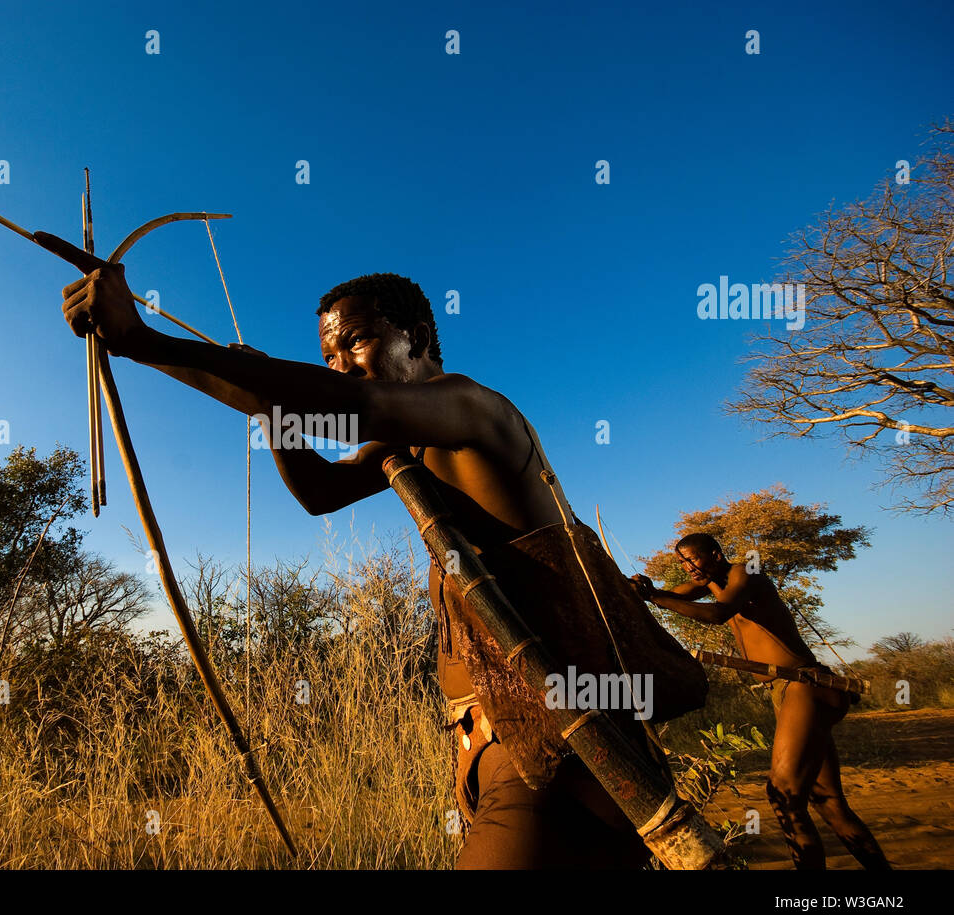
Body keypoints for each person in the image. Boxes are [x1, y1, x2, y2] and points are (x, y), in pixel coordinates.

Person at [62, 265, 664, 867]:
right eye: (328, 356)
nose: (341, 363)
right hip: (499, 740)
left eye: (356, 341)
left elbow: (347, 405)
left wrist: (143, 342)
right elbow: (321, 490)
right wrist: (272, 405)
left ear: (418, 339)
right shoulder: (413, 443)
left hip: (551, 748)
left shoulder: (470, 406)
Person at [630, 533, 890, 869]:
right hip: (786, 692)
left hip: (804, 685)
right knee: (829, 804)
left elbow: (719, 613)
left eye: (692, 558)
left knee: (784, 795)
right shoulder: (709, 582)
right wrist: (639, 589)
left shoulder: (744, 573)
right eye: (682, 561)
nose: (687, 566)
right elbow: (665, 595)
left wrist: (657, 597)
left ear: (715, 554)